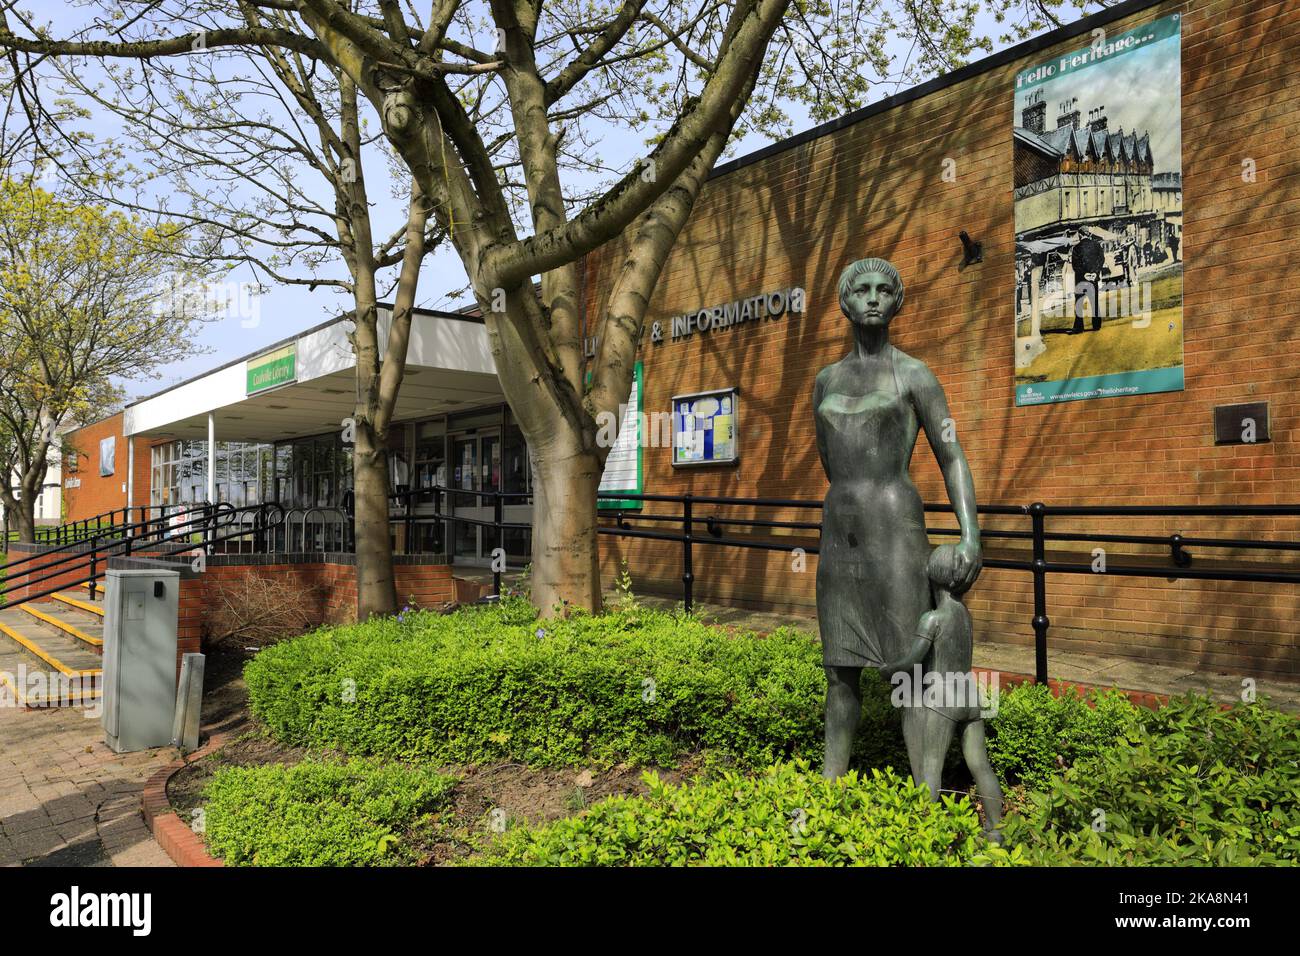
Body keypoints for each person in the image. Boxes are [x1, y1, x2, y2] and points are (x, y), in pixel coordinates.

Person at [813, 257, 982, 782]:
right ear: (844, 301)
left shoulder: (914, 375)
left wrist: (971, 537)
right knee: (840, 673)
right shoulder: (825, 380)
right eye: (860, 290)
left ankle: (922, 798)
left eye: (884, 290)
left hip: (896, 533)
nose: (872, 298)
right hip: (839, 535)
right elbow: (828, 461)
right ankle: (831, 785)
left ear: (897, 301)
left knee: (911, 673)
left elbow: (951, 454)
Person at [878, 544, 1004, 841]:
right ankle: (997, 831)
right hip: (970, 695)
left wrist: (888, 669)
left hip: (941, 699)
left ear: (932, 576)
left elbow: (913, 660)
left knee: (930, 766)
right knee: (980, 765)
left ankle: (928, 835)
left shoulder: (932, 619)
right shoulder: (964, 614)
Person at [1070, 228, 1105, 333]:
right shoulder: (1096, 245)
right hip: (1093, 278)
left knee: (1079, 303)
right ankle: (1096, 325)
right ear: (1088, 234)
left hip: (1081, 279)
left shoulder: (1076, 248)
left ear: (1080, 235)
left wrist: (1085, 274)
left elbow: (1075, 265)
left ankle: (1079, 327)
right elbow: (1101, 260)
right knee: (1094, 302)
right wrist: (1095, 272)